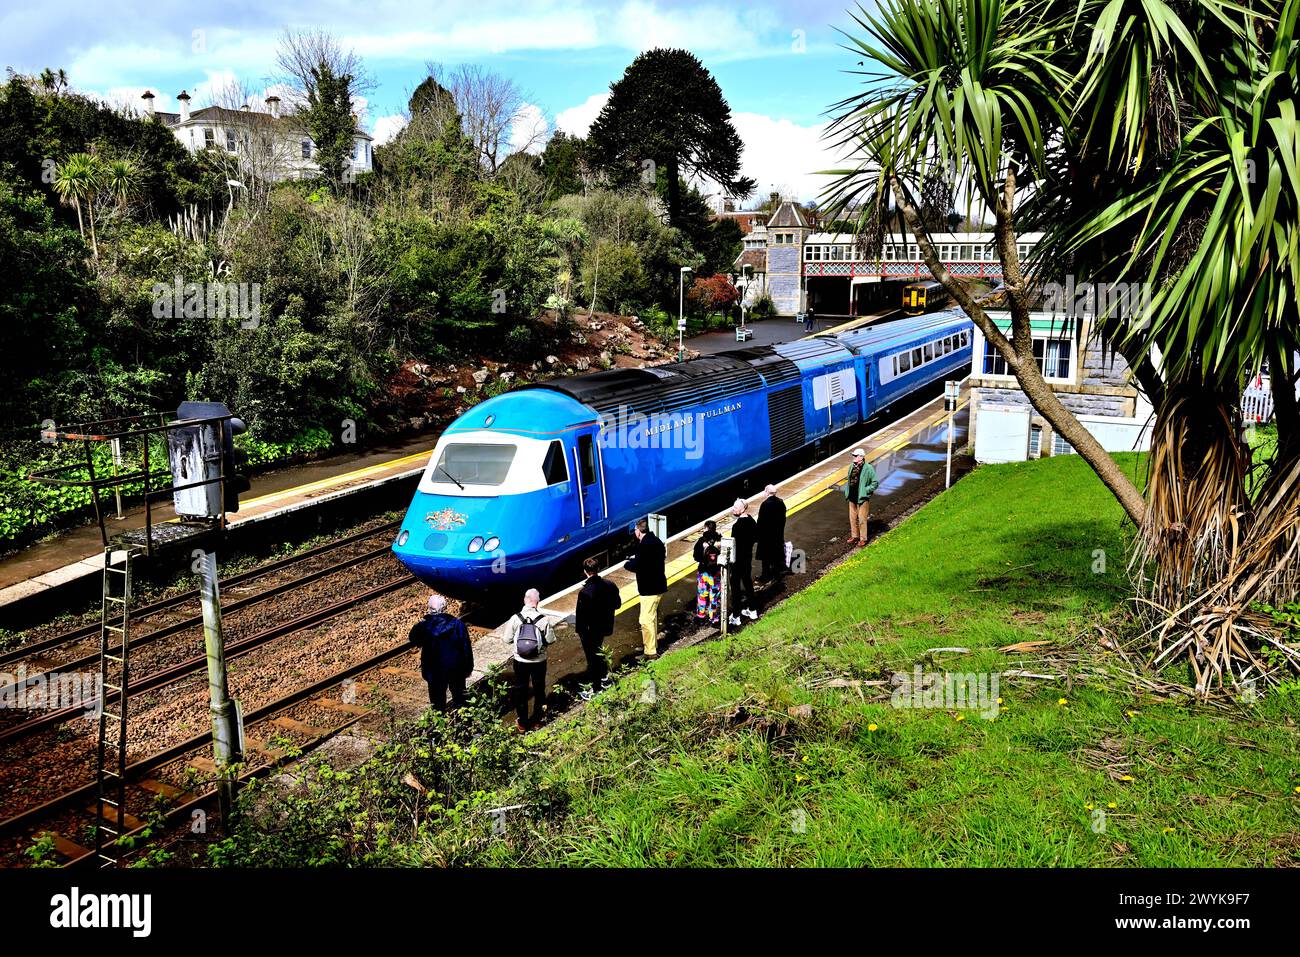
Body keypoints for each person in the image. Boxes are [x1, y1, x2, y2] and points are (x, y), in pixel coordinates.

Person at [407, 594, 474, 712]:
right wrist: (468, 668)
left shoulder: (424, 626)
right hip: (456, 668)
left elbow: (413, 637)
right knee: (460, 698)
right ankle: (465, 723)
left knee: (437, 703)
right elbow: (466, 647)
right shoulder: (458, 624)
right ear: (445, 607)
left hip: (434, 670)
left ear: (429, 608)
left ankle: (440, 726)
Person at [503, 588, 556, 731]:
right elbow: (551, 640)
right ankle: (537, 721)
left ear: (524, 600)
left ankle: (522, 723)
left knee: (521, 689)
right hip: (539, 661)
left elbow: (506, 639)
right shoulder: (543, 619)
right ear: (537, 602)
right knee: (539, 689)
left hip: (520, 661)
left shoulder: (515, 618)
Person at [575, 557, 620, 697]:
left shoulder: (585, 593)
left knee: (592, 659)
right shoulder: (610, 585)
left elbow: (581, 617)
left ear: (585, 571)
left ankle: (596, 689)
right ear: (598, 568)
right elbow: (617, 604)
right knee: (599, 652)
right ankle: (605, 678)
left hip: (589, 631)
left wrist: (580, 632)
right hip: (605, 626)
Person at [625, 518, 668, 657]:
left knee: (645, 620)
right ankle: (651, 645)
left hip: (649, 589)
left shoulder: (644, 546)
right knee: (652, 618)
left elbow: (638, 565)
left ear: (638, 531)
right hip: (658, 585)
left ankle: (650, 652)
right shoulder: (656, 542)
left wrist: (627, 564)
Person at [727, 499, 759, 627]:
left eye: (735, 507)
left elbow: (733, 545)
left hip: (737, 561)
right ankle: (753, 610)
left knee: (735, 588)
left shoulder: (737, 526)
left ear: (742, 509)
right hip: (747, 558)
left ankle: (736, 616)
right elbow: (756, 537)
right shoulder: (752, 521)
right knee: (748, 584)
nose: (732, 509)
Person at [844, 447, 879, 547]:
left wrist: (865, 491)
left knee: (862, 519)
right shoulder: (852, 466)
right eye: (853, 456)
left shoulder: (868, 468)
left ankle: (863, 538)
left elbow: (875, 483)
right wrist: (847, 492)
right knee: (852, 518)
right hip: (852, 497)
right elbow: (849, 480)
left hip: (862, 498)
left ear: (861, 457)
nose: (853, 457)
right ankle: (855, 536)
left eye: (855, 456)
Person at [693, 520, 723, 626]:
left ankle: (701, 615)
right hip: (716, 573)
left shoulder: (701, 541)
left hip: (703, 573)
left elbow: (696, 557)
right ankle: (713, 617)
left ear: (705, 528)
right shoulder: (720, 540)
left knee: (702, 594)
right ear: (715, 528)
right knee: (714, 596)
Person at [756, 485, 787, 584]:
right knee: (776, 556)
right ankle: (776, 575)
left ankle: (765, 575)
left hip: (766, 536)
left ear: (767, 492)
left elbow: (760, 522)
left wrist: (758, 534)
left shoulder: (765, 504)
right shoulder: (781, 502)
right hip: (778, 534)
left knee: (765, 558)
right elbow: (783, 519)